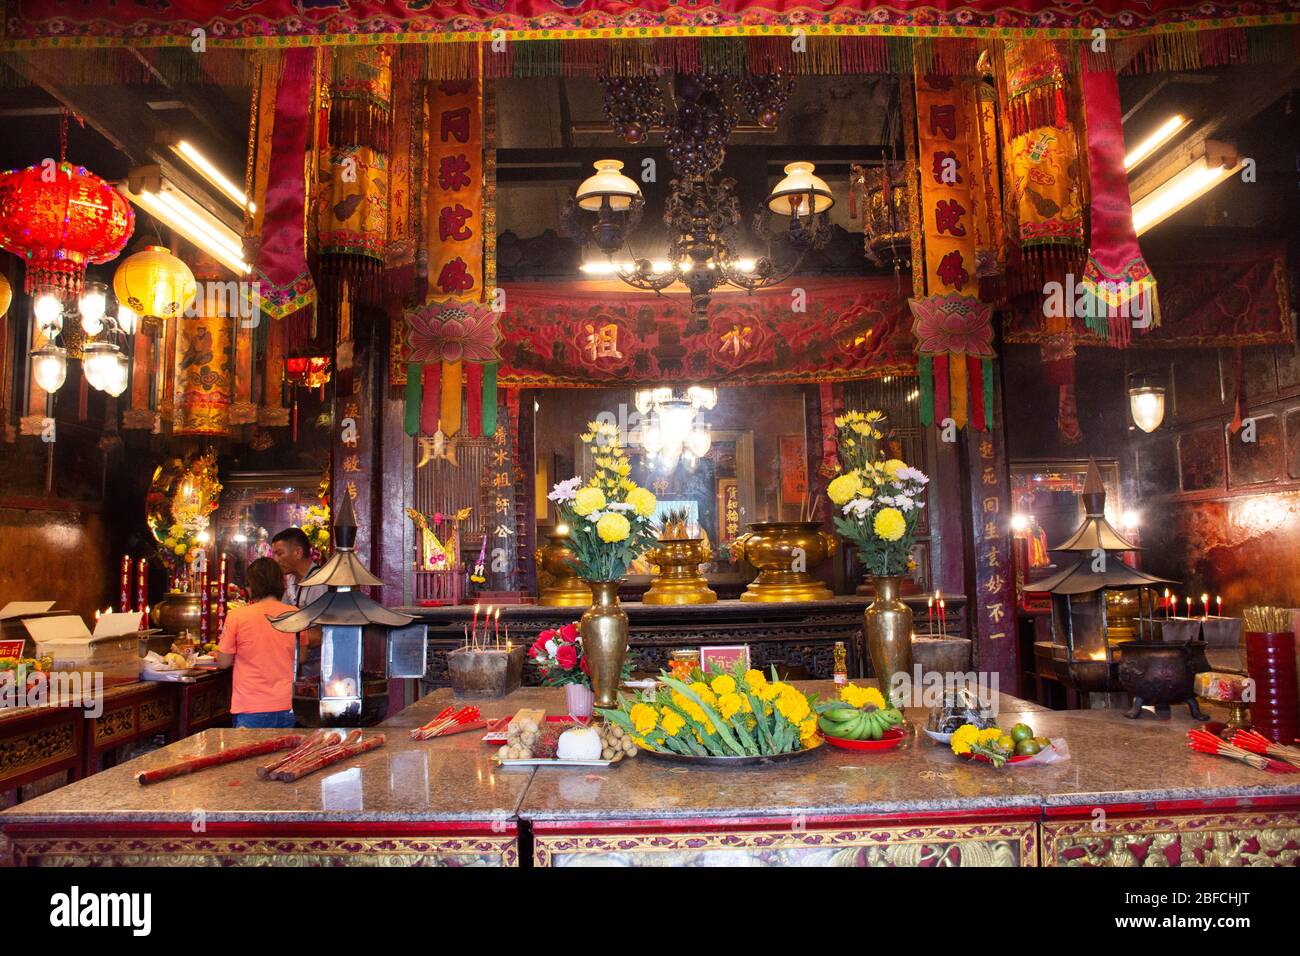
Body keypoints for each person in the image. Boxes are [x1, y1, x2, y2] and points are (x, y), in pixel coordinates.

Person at [216, 558, 298, 728]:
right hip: (289, 704)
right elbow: (302, 656)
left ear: (252, 585)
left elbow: (223, 662)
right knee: (285, 754)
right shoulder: (295, 614)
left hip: (251, 705)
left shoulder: (238, 616)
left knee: (251, 754)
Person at [271, 526, 324, 678]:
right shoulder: (291, 580)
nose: (276, 560)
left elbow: (318, 634)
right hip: (296, 661)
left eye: (280, 553)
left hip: (315, 668)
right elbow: (282, 617)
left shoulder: (319, 582)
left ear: (298, 552)